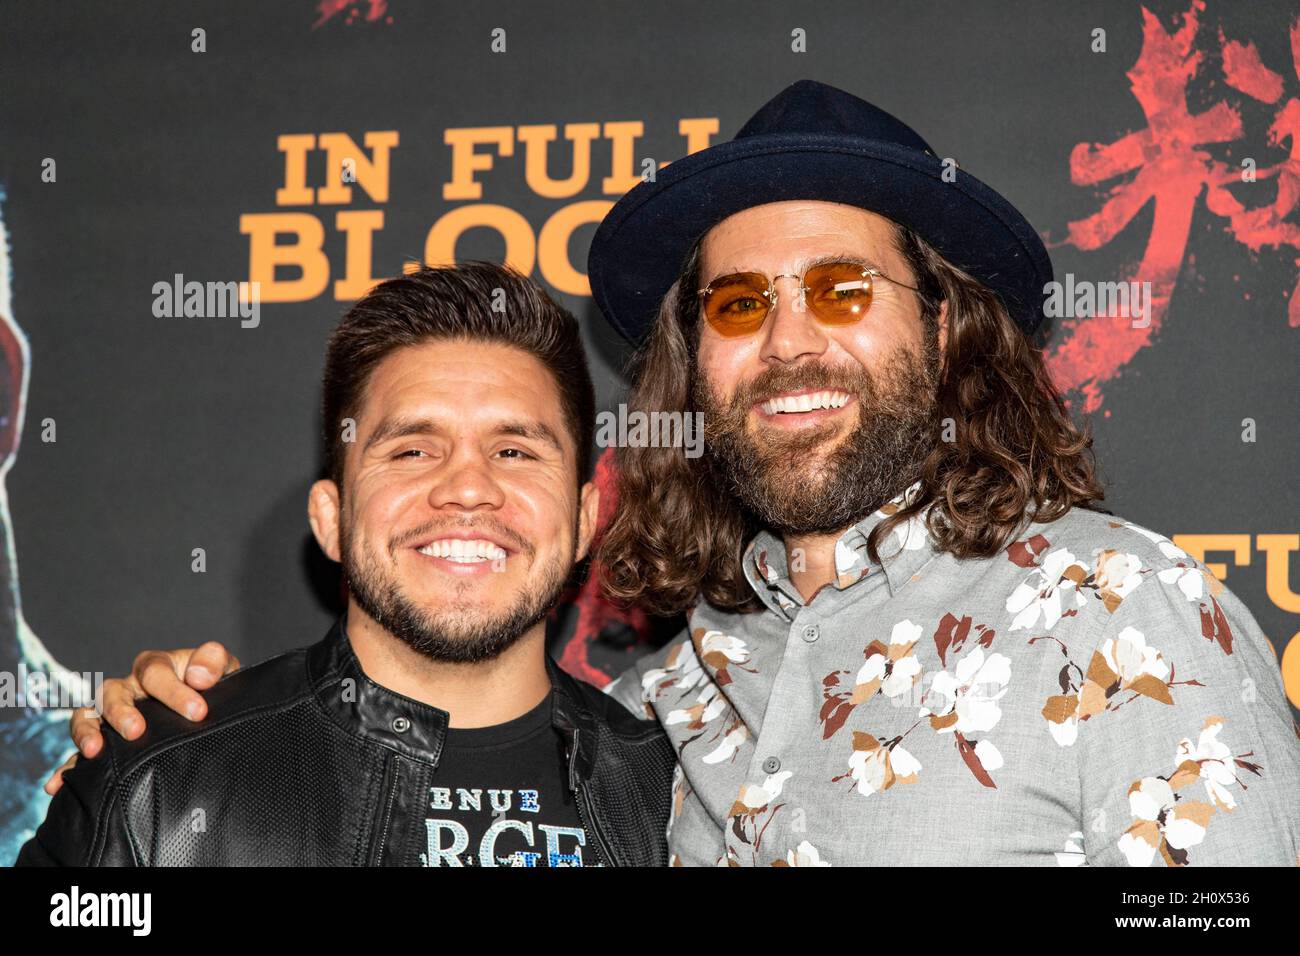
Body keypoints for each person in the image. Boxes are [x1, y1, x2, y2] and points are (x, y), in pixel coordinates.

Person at [50, 80, 1300, 866]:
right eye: (741, 300)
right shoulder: (660, 708)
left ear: (946, 325)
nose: (790, 340)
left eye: (843, 288)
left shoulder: (1129, 615)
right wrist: (161, 743)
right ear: (692, 363)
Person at [18, 262, 674, 867]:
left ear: (587, 519)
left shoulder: (681, 798)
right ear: (331, 519)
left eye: (514, 452)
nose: (468, 488)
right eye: (414, 450)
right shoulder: (160, 784)